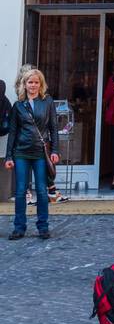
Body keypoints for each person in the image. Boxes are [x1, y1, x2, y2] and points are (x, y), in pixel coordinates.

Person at [4, 68, 59, 240]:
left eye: (36, 82)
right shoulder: (18, 105)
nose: (33, 85)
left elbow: (54, 129)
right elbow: (12, 132)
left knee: (42, 191)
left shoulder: (47, 101)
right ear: (25, 84)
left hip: (40, 153)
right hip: (21, 152)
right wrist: (8, 156)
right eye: (30, 82)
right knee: (20, 191)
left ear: (40, 84)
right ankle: (19, 228)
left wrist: (55, 151)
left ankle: (43, 227)